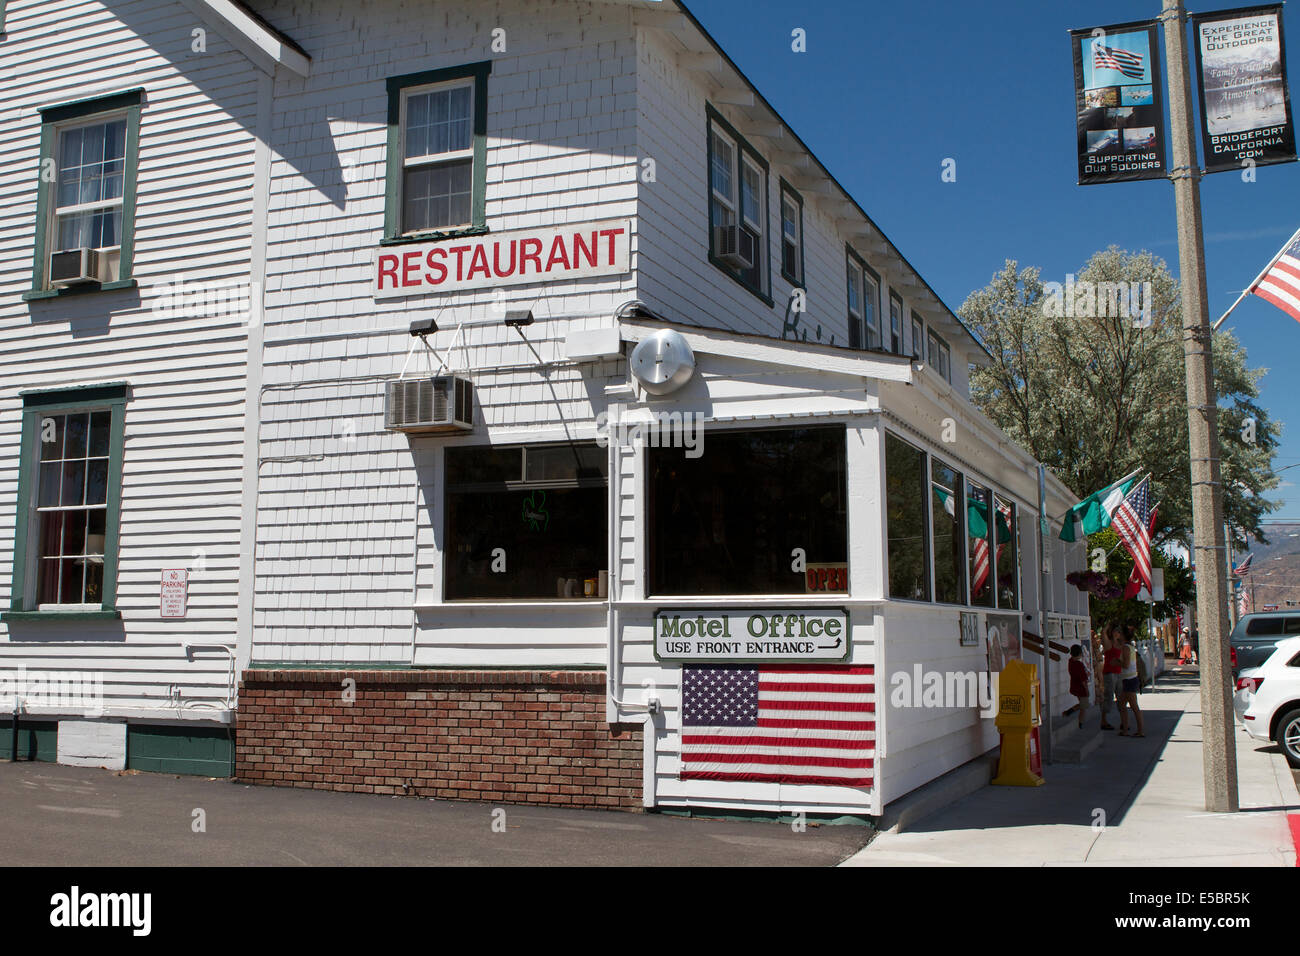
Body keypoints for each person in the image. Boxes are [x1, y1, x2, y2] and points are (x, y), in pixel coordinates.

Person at [1117, 625, 1146, 738]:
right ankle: (1125, 729)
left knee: (1134, 707)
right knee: (1122, 705)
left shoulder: (1125, 648)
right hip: (1130, 678)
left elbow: (1126, 664)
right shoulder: (1130, 646)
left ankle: (1140, 731)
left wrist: (1116, 662)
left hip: (1129, 679)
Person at [1100, 625, 1122, 730]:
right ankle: (1103, 721)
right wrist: (1107, 626)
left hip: (1119, 672)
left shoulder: (1121, 644)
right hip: (1110, 673)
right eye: (1116, 631)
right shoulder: (1109, 643)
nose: (1117, 633)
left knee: (1121, 697)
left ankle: (1123, 720)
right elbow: (1103, 634)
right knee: (1109, 696)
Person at [1068, 644, 1090, 730]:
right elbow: (1083, 680)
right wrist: (1087, 690)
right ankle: (1080, 722)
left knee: (1082, 703)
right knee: (1084, 706)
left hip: (1074, 685)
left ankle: (1071, 711)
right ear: (1080, 654)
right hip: (1081, 688)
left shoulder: (1070, 662)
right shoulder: (1079, 665)